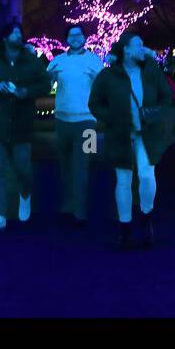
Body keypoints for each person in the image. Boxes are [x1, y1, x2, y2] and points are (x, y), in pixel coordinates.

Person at [88, 33, 175, 250]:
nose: (143, 48)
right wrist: (112, 118)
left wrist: (154, 114)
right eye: (138, 45)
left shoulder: (151, 72)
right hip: (120, 134)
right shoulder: (108, 76)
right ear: (126, 50)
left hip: (147, 134)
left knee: (147, 175)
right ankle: (125, 228)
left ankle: (146, 219)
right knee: (123, 179)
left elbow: (167, 97)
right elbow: (94, 103)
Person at [0, 20, 49, 234]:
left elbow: (44, 83)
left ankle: (25, 194)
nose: (18, 35)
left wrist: (25, 92)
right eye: (14, 32)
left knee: (22, 166)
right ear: (5, 37)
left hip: (21, 125)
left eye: (19, 32)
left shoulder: (31, 61)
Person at [45, 25, 102, 227]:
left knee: (83, 165)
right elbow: (46, 83)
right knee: (65, 165)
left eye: (79, 34)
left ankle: (80, 211)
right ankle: (67, 206)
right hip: (62, 121)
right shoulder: (58, 61)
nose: (76, 38)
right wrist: (49, 77)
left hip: (88, 123)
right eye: (71, 35)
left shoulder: (94, 61)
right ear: (66, 38)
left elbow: (102, 86)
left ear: (85, 38)